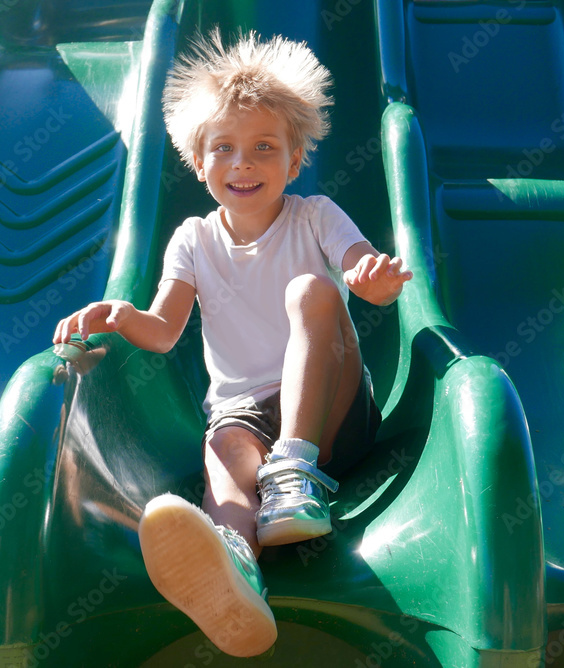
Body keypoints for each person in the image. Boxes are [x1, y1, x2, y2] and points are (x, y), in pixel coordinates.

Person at [52, 30, 412, 658]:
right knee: (221, 449)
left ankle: (295, 476)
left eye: (264, 148)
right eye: (224, 148)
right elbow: (162, 332)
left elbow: (360, 272)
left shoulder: (317, 215)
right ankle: (237, 566)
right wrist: (117, 315)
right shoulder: (191, 239)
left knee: (311, 290)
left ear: (294, 161)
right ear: (199, 162)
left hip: (331, 414)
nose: (243, 163)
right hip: (247, 419)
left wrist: (370, 280)